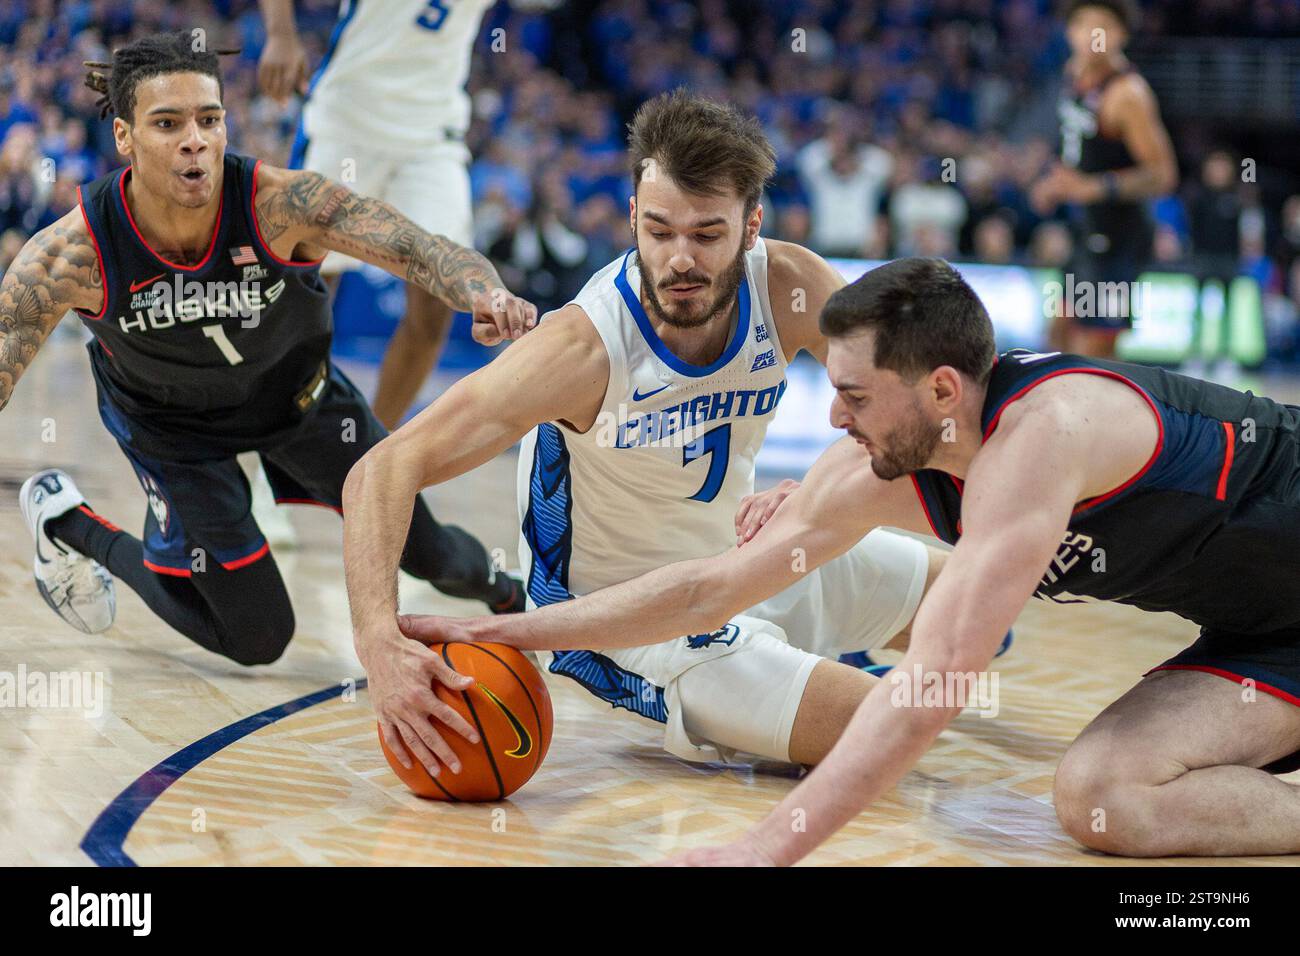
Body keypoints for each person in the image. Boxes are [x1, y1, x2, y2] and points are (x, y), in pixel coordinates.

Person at [406, 256, 1300, 863]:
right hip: (1260, 633)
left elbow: (931, 690)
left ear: (941, 389)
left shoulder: (1043, 438)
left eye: (853, 395)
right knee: (1102, 797)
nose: (835, 421)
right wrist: (514, 629)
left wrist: (767, 847)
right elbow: (708, 590)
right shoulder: (898, 452)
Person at [342, 90, 940, 778]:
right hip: (627, 621)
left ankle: (790, 665)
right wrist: (377, 642)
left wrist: (818, 488)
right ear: (632, 217)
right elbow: (382, 469)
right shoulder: (582, 349)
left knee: (976, 612)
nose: (680, 259)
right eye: (659, 231)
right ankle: (782, 677)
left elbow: (895, 403)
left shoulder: (790, 286)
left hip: (743, 560)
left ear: (752, 226)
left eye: (706, 234)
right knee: (894, 729)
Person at [1, 31, 534, 665]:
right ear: (124, 137)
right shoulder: (70, 256)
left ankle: (511, 599)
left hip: (301, 404)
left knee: (438, 557)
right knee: (259, 639)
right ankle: (70, 523)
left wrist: (486, 291)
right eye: (167, 123)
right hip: (174, 434)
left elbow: (420, 248)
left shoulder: (281, 205)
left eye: (209, 119)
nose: (194, 139)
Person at [258, 0, 497, 428]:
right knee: (307, 290)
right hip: (344, 124)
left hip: (431, 137)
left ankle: (371, 447)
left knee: (441, 295)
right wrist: (281, 34)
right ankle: (279, 432)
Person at [1031, 0, 1177, 358]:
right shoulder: (1074, 72)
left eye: (1104, 26)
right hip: (1085, 228)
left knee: (1095, 348)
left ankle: (1106, 413)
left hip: (1119, 236)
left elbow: (1163, 175)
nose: (1093, 36)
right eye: (1084, 25)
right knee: (1057, 334)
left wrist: (1091, 188)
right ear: (1069, 31)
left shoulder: (1128, 94)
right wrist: (1053, 183)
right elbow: (1078, 145)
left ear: (1122, 35)